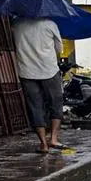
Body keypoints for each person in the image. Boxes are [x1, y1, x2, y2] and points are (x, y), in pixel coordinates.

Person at [11, 17, 68, 153]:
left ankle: (43, 144)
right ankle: (53, 138)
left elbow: (13, 46)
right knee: (56, 103)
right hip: (49, 70)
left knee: (35, 107)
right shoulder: (50, 24)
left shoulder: (16, 24)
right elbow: (59, 48)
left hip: (26, 71)